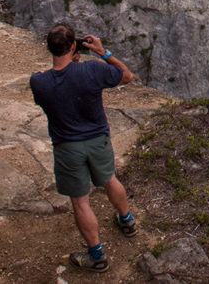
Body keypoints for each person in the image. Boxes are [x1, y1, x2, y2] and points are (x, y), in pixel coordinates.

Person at [30, 22, 139, 271]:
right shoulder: (91, 70)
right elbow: (127, 76)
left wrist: (72, 67)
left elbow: (55, 92)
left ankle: (97, 256)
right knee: (110, 179)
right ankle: (127, 221)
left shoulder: (39, 82)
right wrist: (103, 53)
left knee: (81, 203)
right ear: (73, 46)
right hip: (97, 140)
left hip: (67, 147)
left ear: (49, 48)